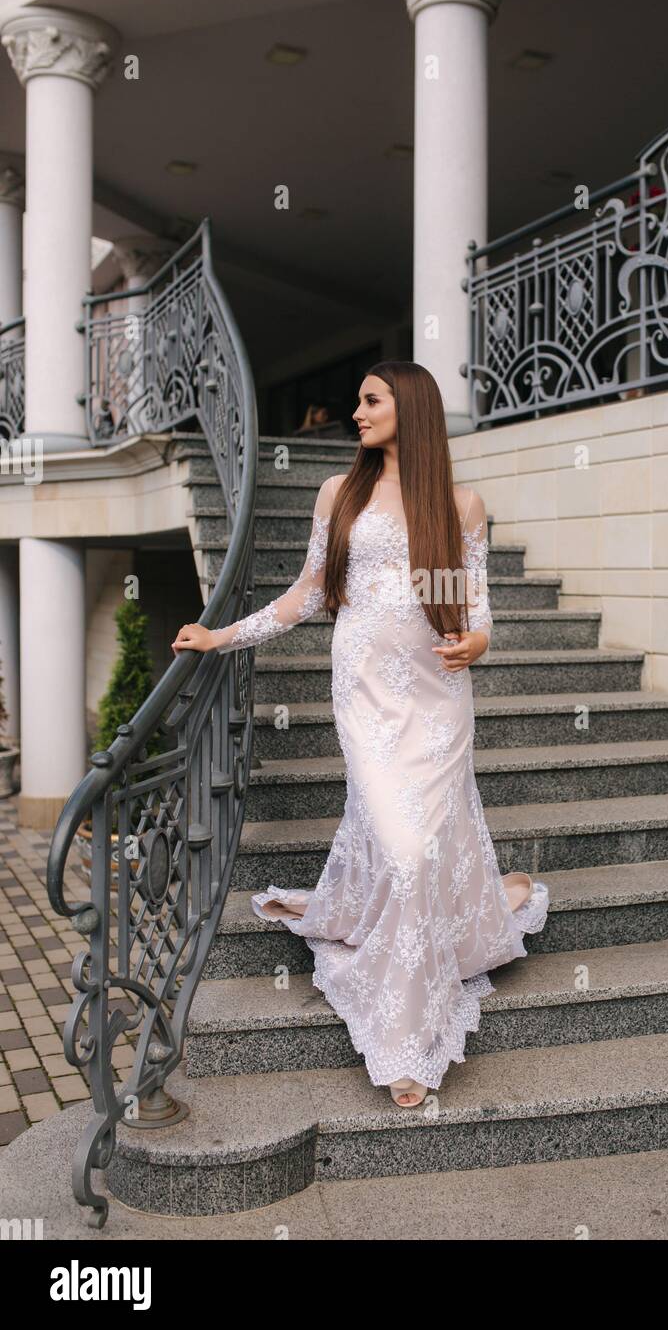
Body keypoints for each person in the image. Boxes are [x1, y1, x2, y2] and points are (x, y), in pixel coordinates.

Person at [172, 361, 549, 1108]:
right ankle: (404, 1041)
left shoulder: (460, 505)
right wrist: (221, 637)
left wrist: (474, 643)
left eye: (371, 400)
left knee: (419, 846)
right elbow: (309, 595)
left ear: (410, 408)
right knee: (406, 850)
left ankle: (434, 977)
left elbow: (470, 607)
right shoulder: (338, 495)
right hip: (366, 699)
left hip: (439, 702)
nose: (356, 411)